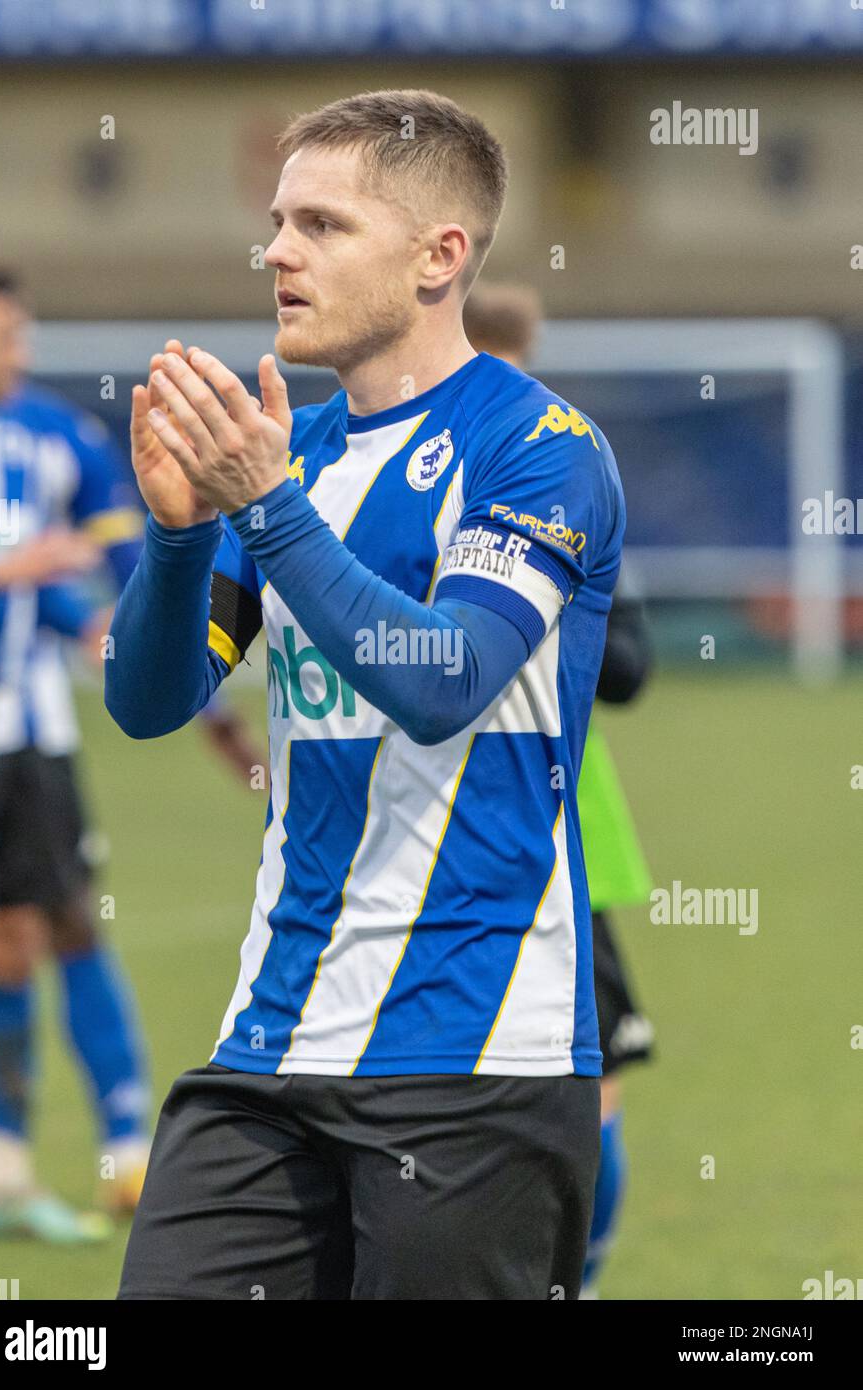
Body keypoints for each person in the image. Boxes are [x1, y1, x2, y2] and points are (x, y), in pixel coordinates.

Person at [107, 88, 625, 1300]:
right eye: (279, 222)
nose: (278, 251)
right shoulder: (298, 453)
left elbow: (443, 678)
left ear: (440, 257)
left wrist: (264, 504)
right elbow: (148, 698)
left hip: (474, 1053)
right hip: (271, 1041)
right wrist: (182, 536)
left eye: (324, 226)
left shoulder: (538, 445)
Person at [464, 280, 655, 1296]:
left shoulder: (561, 480)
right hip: (433, 829)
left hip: (560, 827)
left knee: (590, 1081)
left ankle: (570, 1281)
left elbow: (626, 665)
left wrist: (547, 603)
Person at [0, 266, 151, 1240]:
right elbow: (9, 573)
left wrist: (99, 624)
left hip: (34, 735)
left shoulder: (59, 437)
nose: (19, 356)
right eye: (3, 336)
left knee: (45, 930)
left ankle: (89, 1160)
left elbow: (103, 566)